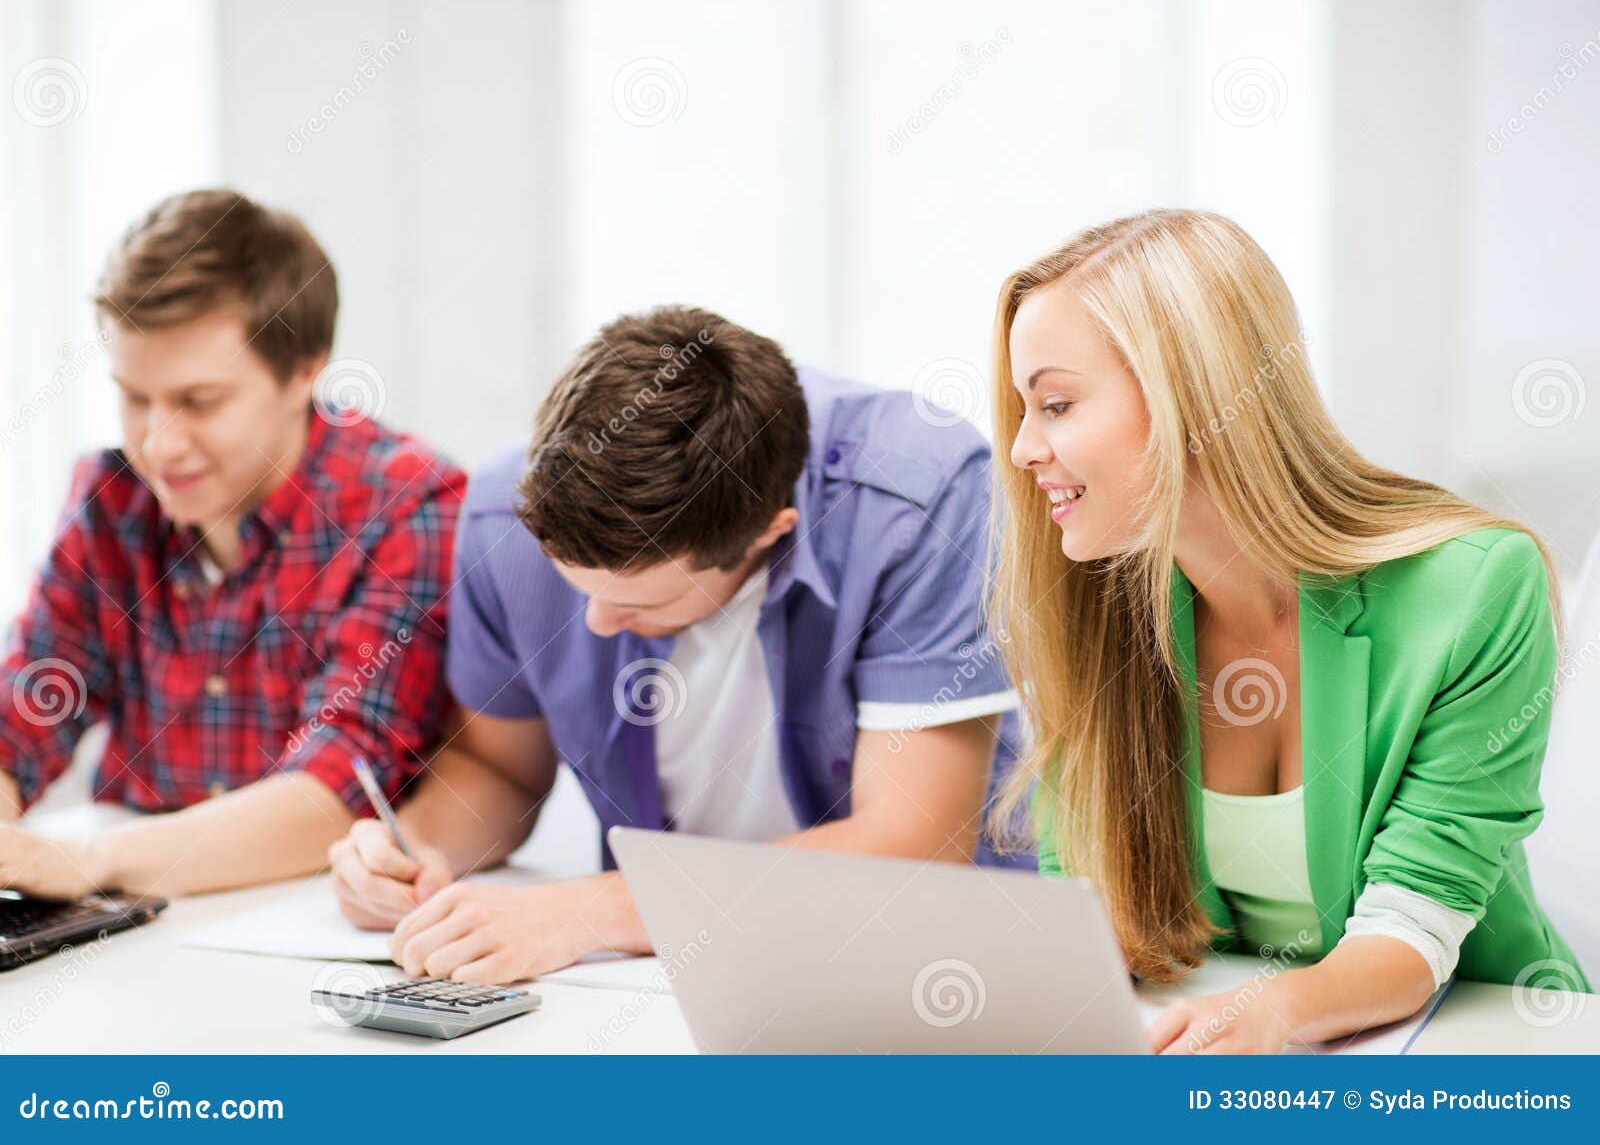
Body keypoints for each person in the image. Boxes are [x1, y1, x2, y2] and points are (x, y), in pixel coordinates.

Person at [988, 208, 1589, 1054]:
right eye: (1023, 408)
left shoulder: (1475, 587)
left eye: (1055, 403)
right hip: (1201, 1056)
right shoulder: (1096, 608)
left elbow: (1415, 923)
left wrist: (1276, 1009)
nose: (1021, 448)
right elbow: (1088, 920)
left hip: (1476, 1045)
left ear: (1189, 392)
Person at [329, 305, 1020, 984]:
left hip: (908, 973)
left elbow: (913, 850)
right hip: (654, 980)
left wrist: (589, 912)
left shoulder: (919, 499)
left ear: (767, 533)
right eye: (577, 585)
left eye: (639, 601)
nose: (597, 621)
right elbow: (498, 768)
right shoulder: (499, 516)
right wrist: (412, 849)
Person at [0, 189, 464, 898]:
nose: (159, 443)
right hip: (146, 916)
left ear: (305, 368)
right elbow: (27, 706)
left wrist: (90, 860)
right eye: (134, 396)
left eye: (199, 401)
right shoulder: (111, 500)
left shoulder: (408, 506)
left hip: (318, 913)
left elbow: (338, 784)